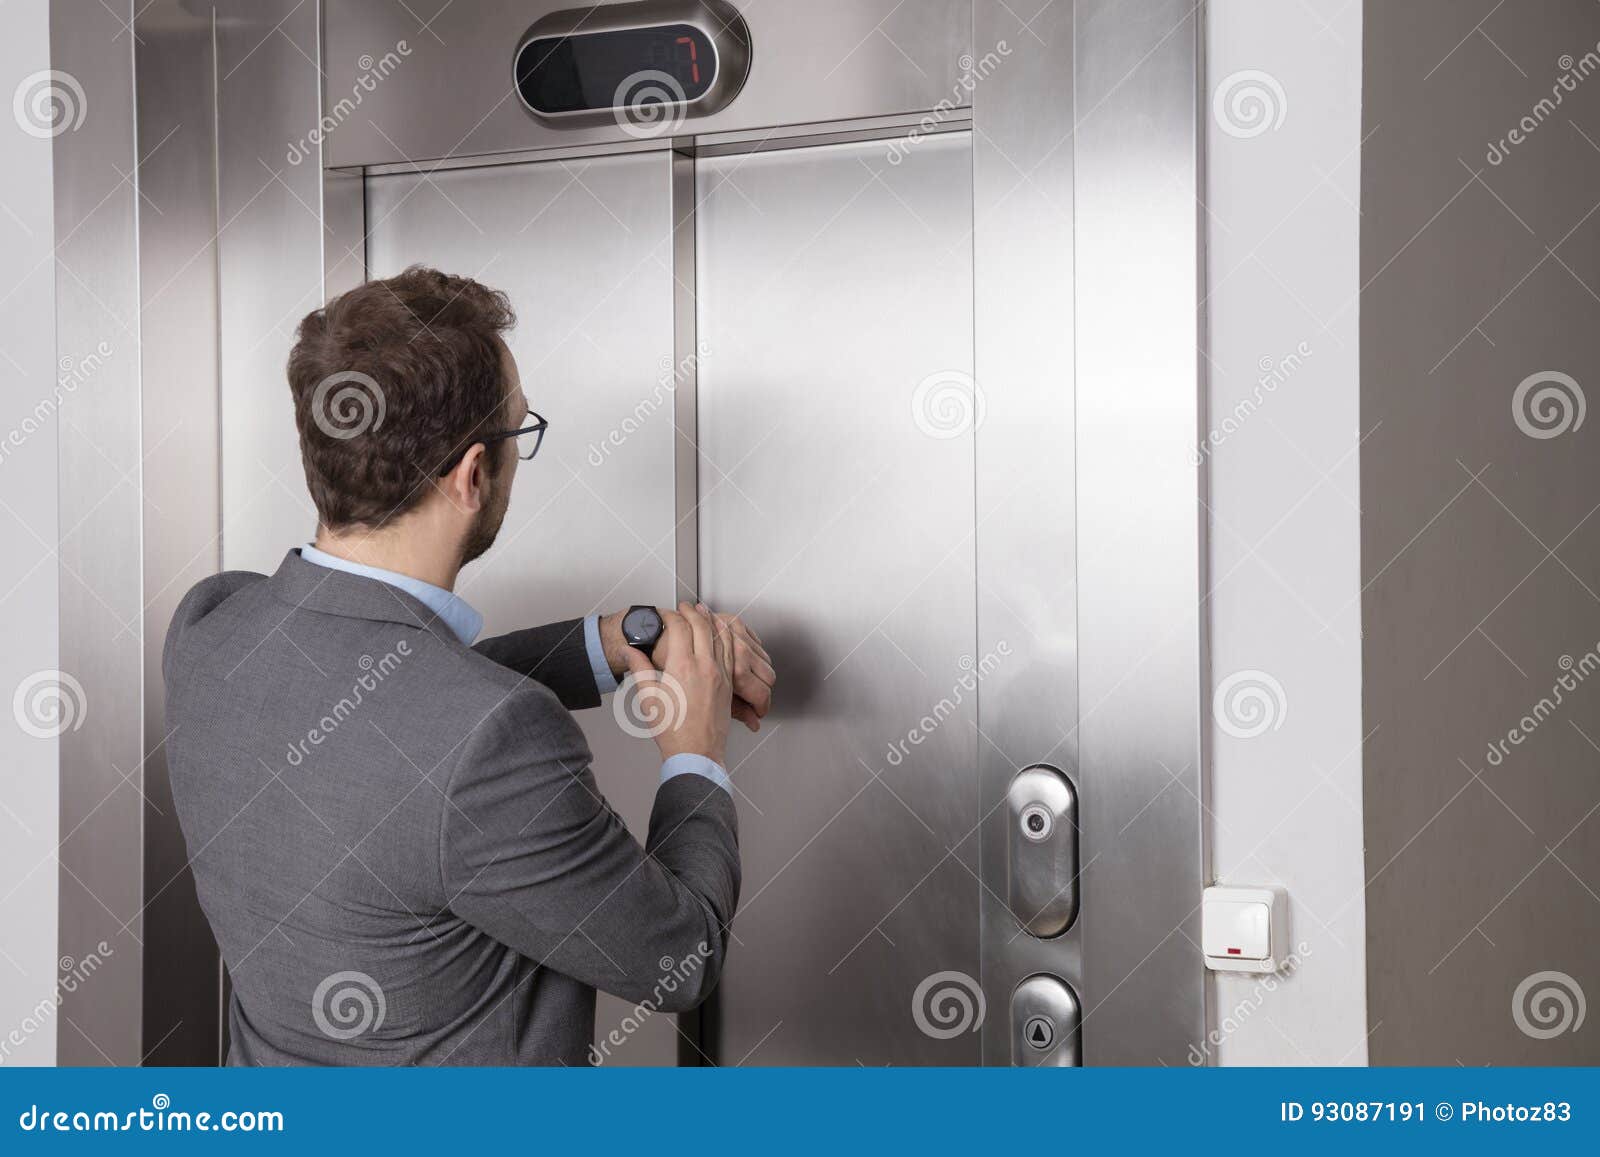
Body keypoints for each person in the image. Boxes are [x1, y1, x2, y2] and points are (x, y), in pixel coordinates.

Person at [162, 266, 773, 1065]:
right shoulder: (491, 741)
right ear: (472, 474)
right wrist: (695, 752)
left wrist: (610, 643)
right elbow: (680, 957)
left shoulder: (212, 625)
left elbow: (391, 717)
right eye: (521, 433)